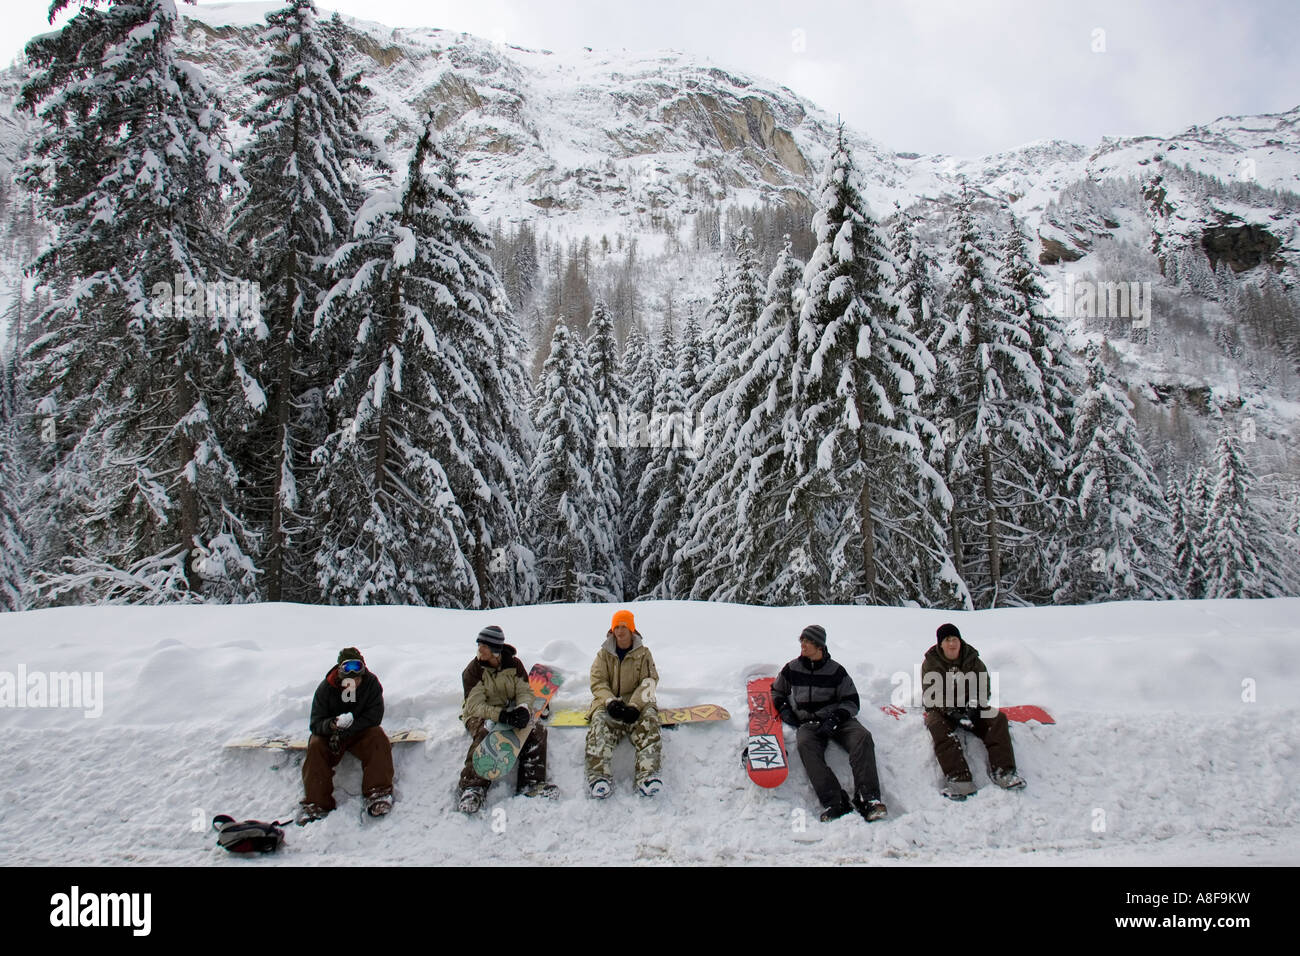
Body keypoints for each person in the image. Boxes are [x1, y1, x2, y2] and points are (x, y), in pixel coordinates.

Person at [772, 625, 887, 823]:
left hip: (838, 720)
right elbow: (776, 691)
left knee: (862, 738)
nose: (803, 645)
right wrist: (784, 709)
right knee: (805, 745)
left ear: (819, 646)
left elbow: (852, 701)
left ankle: (867, 799)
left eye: (807, 642)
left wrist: (836, 718)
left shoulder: (836, 671)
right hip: (809, 722)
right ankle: (836, 802)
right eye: (802, 641)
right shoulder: (792, 668)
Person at [921, 622, 1026, 799]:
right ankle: (959, 779)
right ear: (940, 644)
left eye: (955, 639)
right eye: (947, 640)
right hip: (942, 709)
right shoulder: (931, 663)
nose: (952, 643)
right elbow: (932, 694)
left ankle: (1004, 772)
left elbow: (984, 686)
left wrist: (973, 707)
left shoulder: (972, 659)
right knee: (936, 725)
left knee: (997, 719)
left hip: (971, 706)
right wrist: (952, 712)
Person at [457, 625, 556, 814]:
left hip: (508, 710)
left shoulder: (514, 665)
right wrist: (502, 716)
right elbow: (475, 705)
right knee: (486, 733)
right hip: (479, 714)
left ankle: (532, 783)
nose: (479, 650)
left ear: (495, 649)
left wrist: (523, 709)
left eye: (484, 646)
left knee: (536, 731)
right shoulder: (473, 671)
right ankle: (472, 787)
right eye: (479, 645)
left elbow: (525, 691)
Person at [297, 647, 394, 824]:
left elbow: (374, 716)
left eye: (357, 670)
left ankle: (378, 793)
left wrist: (350, 729)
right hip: (331, 736)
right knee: (316, 745)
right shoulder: (326, 688)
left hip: (359, 732)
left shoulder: (371, 684)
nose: (353, 677)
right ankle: (317, 804)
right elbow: (316, 723)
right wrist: (332, 726)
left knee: (378, 738)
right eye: (347, 669)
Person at [585, 609, 662, 798]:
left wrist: (635, 705)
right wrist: (610, 701)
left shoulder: (644, 654)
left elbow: (649, 681)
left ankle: (647, 776)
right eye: (616, 627)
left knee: (650, 723)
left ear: (632, 629)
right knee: (599, 725)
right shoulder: (604, 654)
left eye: (624, 627)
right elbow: (598, 682)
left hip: (638, 703)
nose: (620, 631)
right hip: (610, 702)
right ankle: (599, 778)